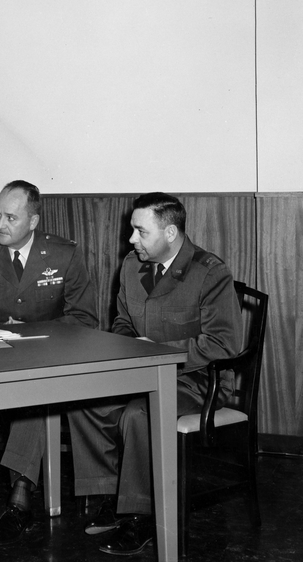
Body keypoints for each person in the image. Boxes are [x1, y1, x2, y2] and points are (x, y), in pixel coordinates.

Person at [69, 192, 243, 556]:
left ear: (170, 233)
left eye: (139, 231)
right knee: (83, 403)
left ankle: (141, 515)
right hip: (141, 371)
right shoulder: (133, 267)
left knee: (139, 414)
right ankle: (110, 496)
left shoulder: (209, 273)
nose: (131, 240)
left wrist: (162, 352)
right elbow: (121, 323)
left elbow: (224, 344)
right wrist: (123, 352)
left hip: (197, 381)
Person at [0, 180, 98, 545]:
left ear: (32, 222)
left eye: (10, 217)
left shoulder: (64, 254)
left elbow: (85, 319)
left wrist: (31, 332)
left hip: (49, 359)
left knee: (36, 396)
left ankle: (20, 494)